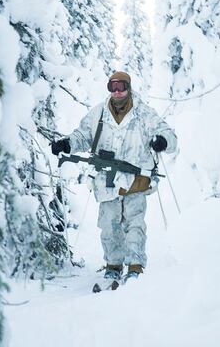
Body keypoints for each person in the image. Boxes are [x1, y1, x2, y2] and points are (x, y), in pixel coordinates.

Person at [51, 71, 177, 290]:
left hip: (136, 180)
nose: (117, 92)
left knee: (134, 224)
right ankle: (113, 266)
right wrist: (67, 144)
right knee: (109, 226)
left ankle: (135, 267)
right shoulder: (98, 114)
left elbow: (169, 135)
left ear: (129, 87)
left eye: (121, 87)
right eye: (112, 87)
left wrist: (162, 141)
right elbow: (82, 135)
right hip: (106, 182)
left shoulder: (144, 114)